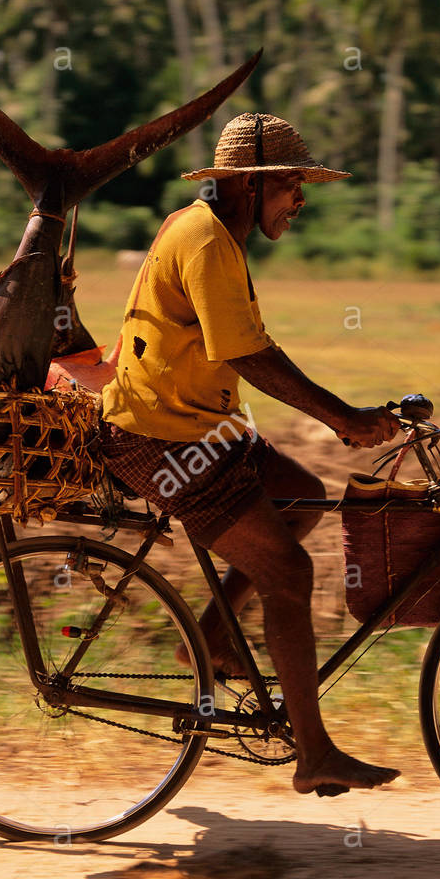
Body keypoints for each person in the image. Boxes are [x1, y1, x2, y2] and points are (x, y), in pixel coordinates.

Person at [98, 112, 400, 797]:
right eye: (291, 183)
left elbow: (244, 349)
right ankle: (315, 753)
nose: (302, 199)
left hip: (201, 429)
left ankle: (208, 634)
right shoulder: (204, 238)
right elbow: (247, 355)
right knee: (288, 573)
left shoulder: (216, 237)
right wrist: (340, 416)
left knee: (298, 495)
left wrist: (342, 418)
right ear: (247, 184)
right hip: (160, 438)